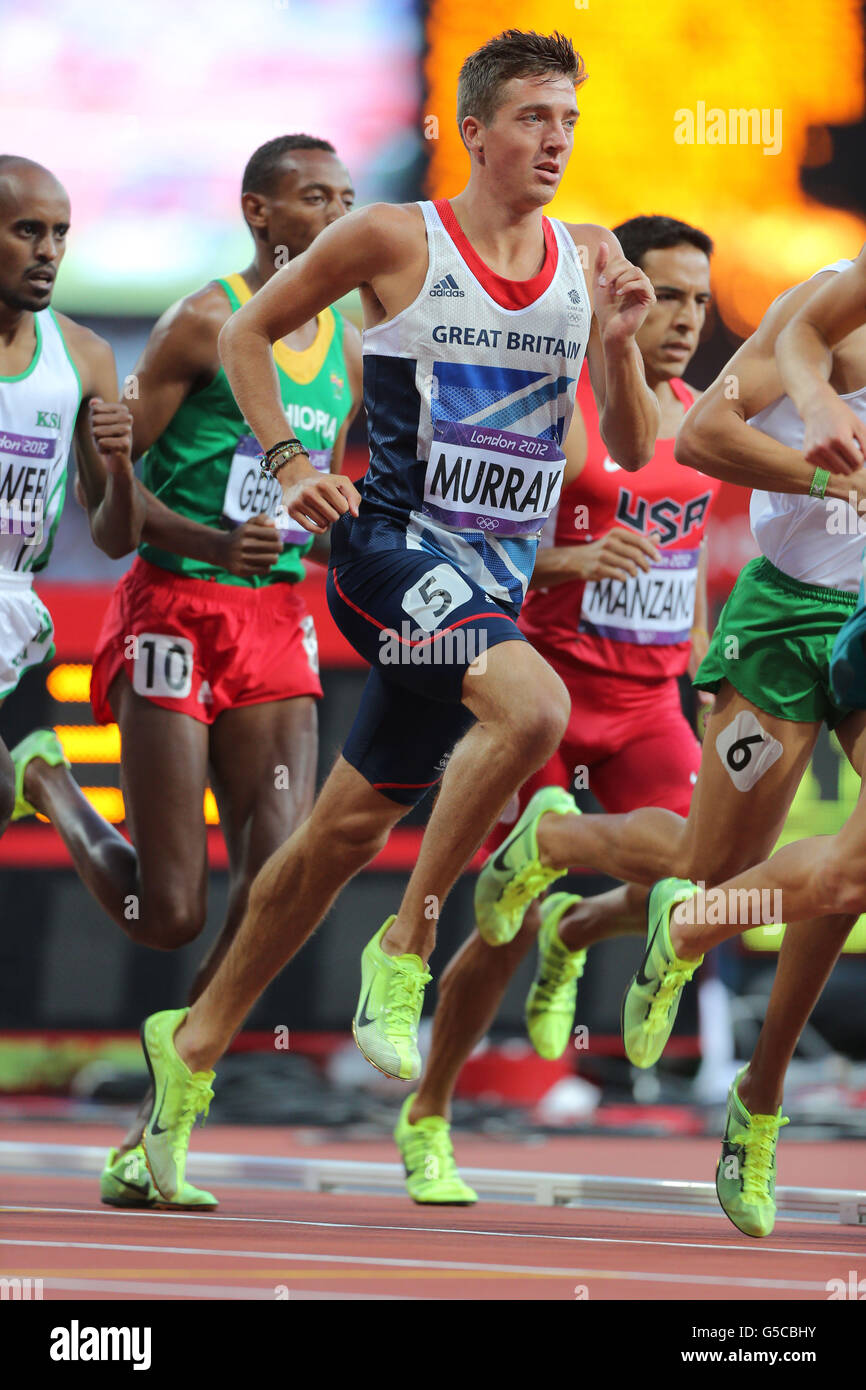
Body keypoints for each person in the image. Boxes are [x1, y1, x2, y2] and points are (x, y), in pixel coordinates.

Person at [135, 28, 661, 1204]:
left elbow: (624, 450)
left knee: (334, 838)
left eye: (567, 121)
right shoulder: (393, 237)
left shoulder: (588, 255)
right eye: (531, 118)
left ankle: (193, 1047)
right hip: (387, 549)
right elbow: (244, 331)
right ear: (470, 130)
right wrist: (282, 457)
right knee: (534, 706)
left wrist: (619, 346)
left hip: (489, 581)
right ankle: (409, 942)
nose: (554, 142)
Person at [474, 250, 866, 1237]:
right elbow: (700, 433)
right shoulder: (814, 314)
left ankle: (758, 1098)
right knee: (706, 859)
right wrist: (824, 470)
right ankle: (561, 868)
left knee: (849, 878)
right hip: (782, 623)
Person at [10, 138, 361, 1209]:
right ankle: (48, 782)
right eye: (316, 199)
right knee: (168, 910)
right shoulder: (198, 323)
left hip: (277, 624)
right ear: (261, 214)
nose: (340, 218)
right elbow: (116, 522)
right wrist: (212, 543)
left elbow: (316, 489)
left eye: (350, 201)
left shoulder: (347, 337)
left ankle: (169, 1109)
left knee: (284, 876)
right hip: (173, 608)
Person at [392, 213, 719, 1205]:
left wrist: (697, 674)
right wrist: (571, 558)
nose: (682, 320)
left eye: (700, 301)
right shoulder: (554, 406)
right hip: (550, 689)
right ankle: (429, 1113)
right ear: (615, 290)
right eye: (664, 294)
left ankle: (573, 932)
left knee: (705, 872)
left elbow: (686, 555)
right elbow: (454, 541)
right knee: (496, 933)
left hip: (650, 693)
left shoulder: (701, 415)